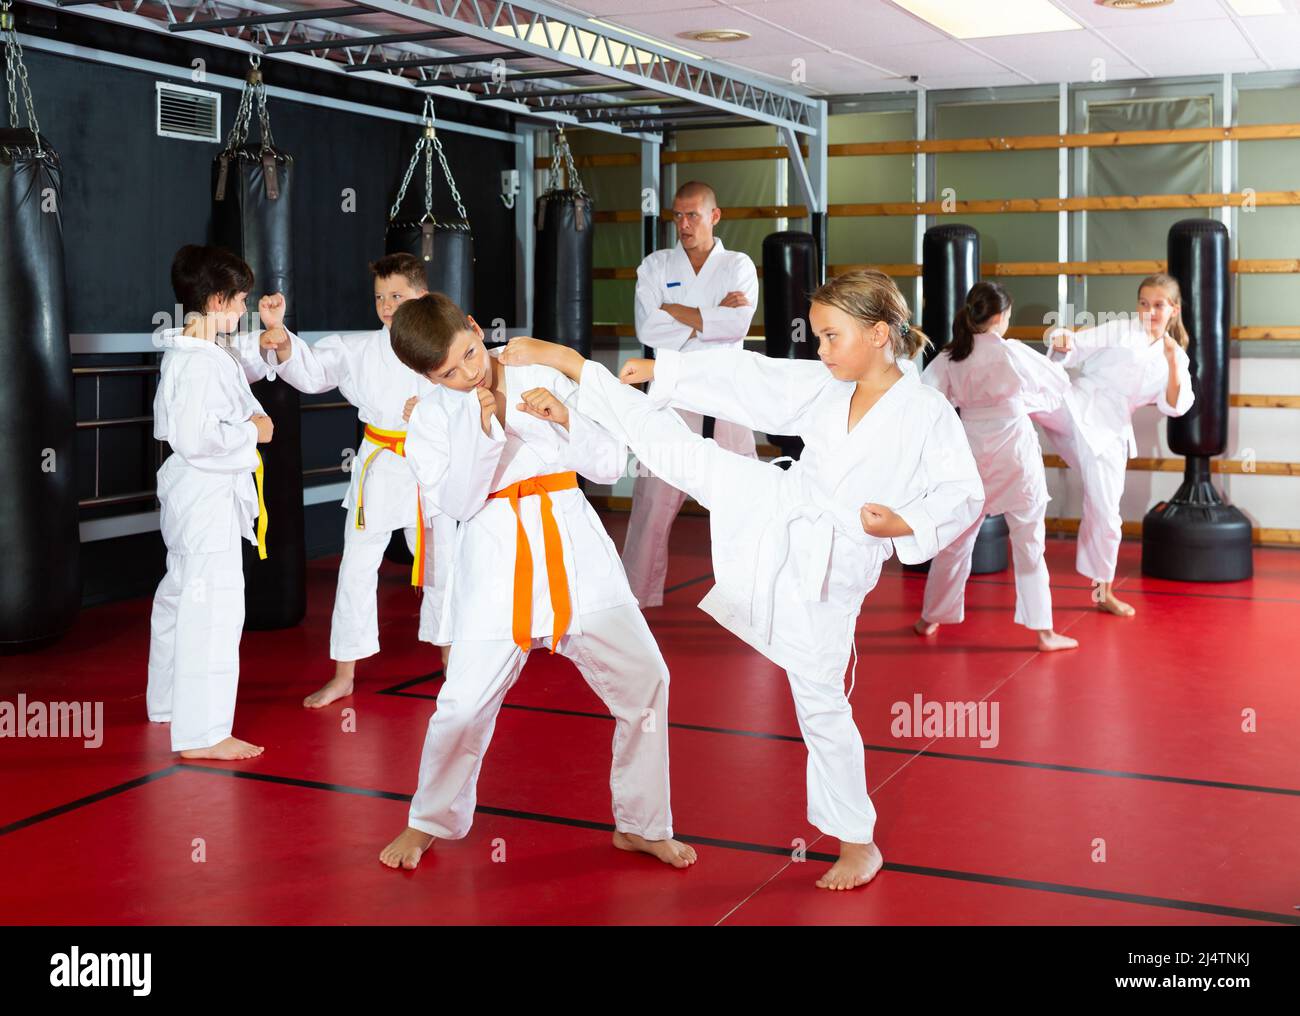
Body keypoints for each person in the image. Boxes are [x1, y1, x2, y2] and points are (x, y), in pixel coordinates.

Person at [500, 269, 986, 890]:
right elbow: (750, 377)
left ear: (879, 333)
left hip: (834, 566)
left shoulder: (926, 411)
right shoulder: (825, 384)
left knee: (821, 702)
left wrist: (904, 521)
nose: (821, 349)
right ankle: (577, 369)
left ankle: (857, 841)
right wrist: (667, 373)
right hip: (782, 500)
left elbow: (963, 493)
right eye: (818, 336)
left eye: (833, 336)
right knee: (682, 454)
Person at [377, 293, 695, 873]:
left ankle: (642, 825)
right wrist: (484, 427)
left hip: (572, 544)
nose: (469, 371)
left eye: (471, 353)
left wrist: (565, 417)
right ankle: (428, 819)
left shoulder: (538, 369)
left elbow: (605, 466)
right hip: (495, 560)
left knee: (647, 678)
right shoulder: (429, 417)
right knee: (462, 704)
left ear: (476, 328)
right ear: (425, 375)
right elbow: (456, 502)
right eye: (448, 372)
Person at [260, 253, 453, 708]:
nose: (387, 305)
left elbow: (476, 393)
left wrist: (434, 412)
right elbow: (312, 370)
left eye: (397, 296)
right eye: (380, 297)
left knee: (444, 566)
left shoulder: (448, 346)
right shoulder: (359, 348)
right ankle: (344, 673)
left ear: (421, 296)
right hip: (381, 463)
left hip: (432, 468)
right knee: (356, 569)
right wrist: (282, 339)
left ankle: (452, 663)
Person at [147, 244, 282, 760]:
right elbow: (196, 437)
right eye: (241, 300)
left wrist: (271, 333)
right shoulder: (198, 364)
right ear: (219, 299)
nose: (245, 309)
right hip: (205, 497)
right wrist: (255, 431)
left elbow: (237, 360)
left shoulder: (197, 349)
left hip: (193, 497)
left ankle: (168, 704)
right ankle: (204, 733)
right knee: (214, 609)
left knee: (179, 599)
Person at [916, 282, 1078, 651]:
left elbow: (928, 402)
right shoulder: (1012, 352)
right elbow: (1056, 384)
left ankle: (930, 617)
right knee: (1029, 543)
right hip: (1014, 453)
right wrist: (1056, 356)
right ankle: (1044, 633)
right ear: (1003, 316)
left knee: (955, 539)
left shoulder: (951, 356)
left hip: (971, 451)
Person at [623, 180, 759, 607]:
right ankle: (636, 598)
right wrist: (711, 315)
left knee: (744, 499)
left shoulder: (738, 265)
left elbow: (737, 326)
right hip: (673, 393)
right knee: (651, 501)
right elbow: (648, 328)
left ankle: (753, 593)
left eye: (693, 215)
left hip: (726, 394)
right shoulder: (656, 266)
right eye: (677, 215)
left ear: (714, 216)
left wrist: (676, 312)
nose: (683, 224)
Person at [1034, 274, 1195, 617]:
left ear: (1173, 310)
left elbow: (1175, 405)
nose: (1149, 311)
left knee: (1106, 516)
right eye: (1143, 303)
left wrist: (1169, 360)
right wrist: (1062, 341)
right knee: (1027, 389)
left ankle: (1102, 591)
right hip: (1074, 404)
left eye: (1158, 305)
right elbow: (1076, 346)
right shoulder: (1122, 329)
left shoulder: (1176, 357)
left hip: (1110, 432)